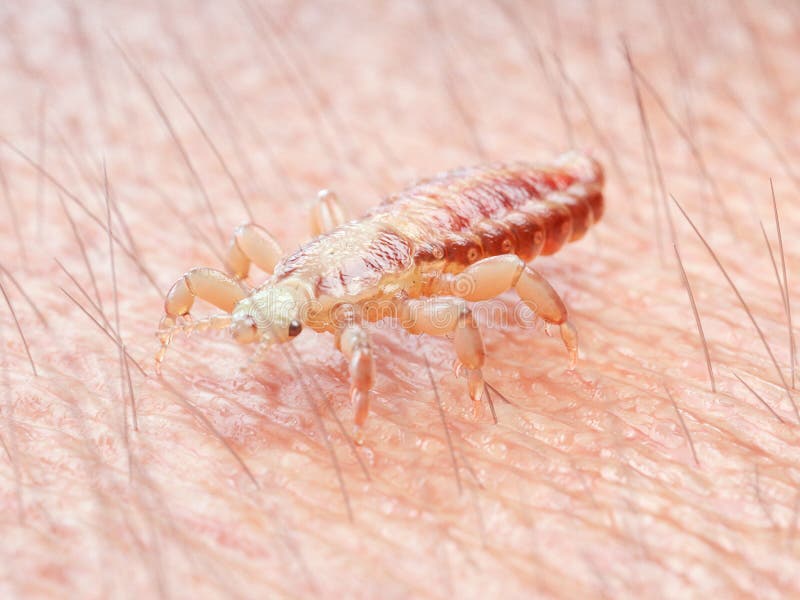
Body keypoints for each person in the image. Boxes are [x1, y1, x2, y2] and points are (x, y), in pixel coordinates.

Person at [1, 1, 797, 597]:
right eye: (267, 312)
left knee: (490, 290)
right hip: (409, 221)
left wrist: (392, 405)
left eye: (274, 320)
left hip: (456, 233)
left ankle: (529, 353)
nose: (263, 321)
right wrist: (184, 334)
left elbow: (443, 313)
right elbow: (231, 267)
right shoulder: (293, 276)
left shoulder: (353, 312)